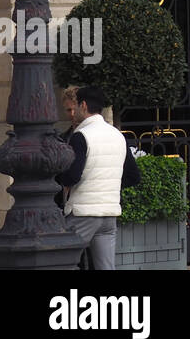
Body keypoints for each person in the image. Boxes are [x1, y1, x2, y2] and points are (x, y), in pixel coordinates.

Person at [55, 85, 141, 270]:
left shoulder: (81, 135)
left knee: (62, 262)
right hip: (109, 214)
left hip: (82, 213)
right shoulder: (117, 135)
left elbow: (72, 176)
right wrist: (107, 186)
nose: (73, 111)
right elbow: (134, 176)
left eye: (75, 106)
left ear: (83, 105)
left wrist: (60, 175)